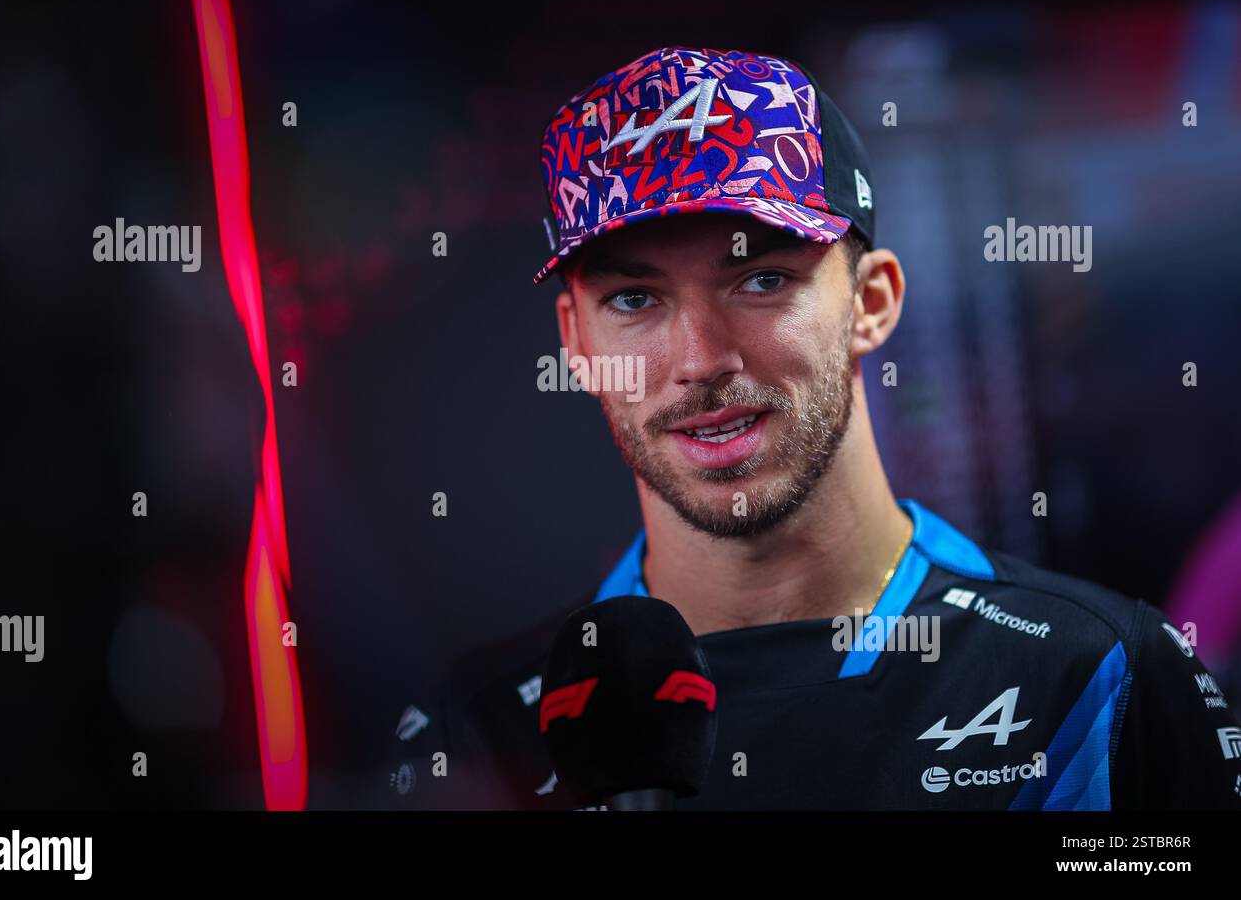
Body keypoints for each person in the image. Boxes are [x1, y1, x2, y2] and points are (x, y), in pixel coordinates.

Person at [378, 47, 1241, 809]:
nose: (701, 359)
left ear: (872, 301)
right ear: (575, 341)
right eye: (634, 299)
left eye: (759, 281)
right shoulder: (474, 731)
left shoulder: (1099, 675)